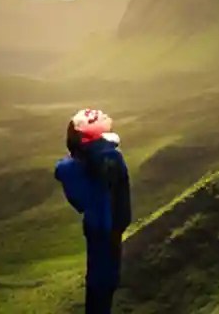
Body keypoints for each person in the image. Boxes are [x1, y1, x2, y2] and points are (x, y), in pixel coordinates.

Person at [54, 108, 132, 314]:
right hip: (108, 227)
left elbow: (79, 201)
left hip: (97, 226)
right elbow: (120, 203)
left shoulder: (72, 167)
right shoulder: (113, 158)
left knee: (97, 284)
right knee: (104, 283)